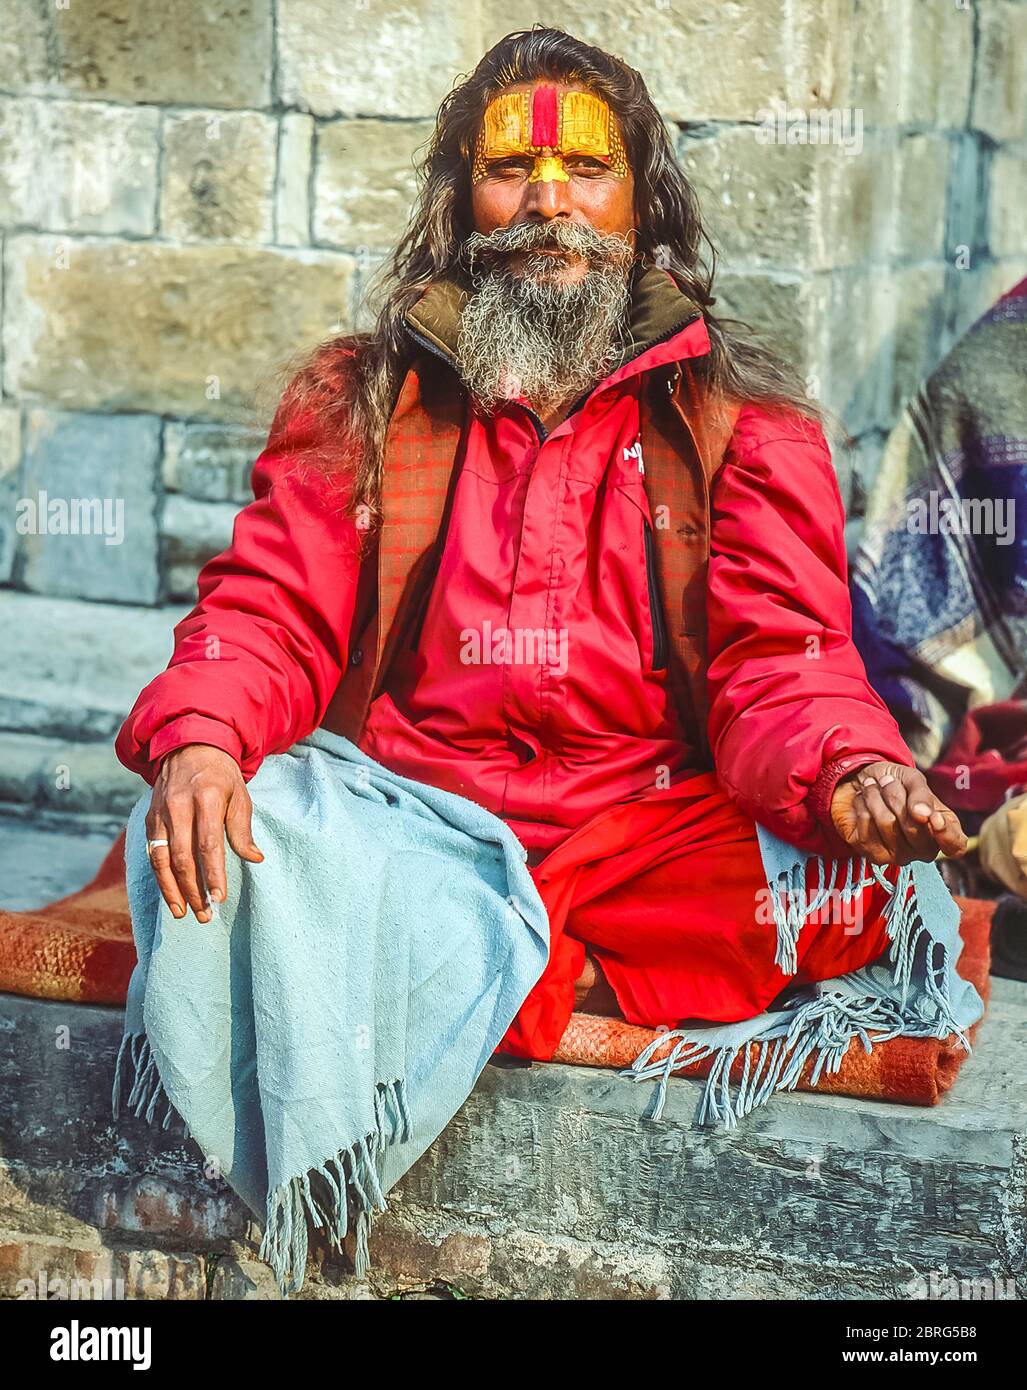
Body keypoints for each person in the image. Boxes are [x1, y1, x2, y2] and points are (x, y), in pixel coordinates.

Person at [115, 27, 967, 1062]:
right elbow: (268, 611)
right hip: (409, 823)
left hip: (642, 837)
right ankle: (553, 969)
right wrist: (203, 736)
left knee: (865, 882)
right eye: (511, 168)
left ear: (643, 204)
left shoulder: (745, 421)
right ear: (459, 202)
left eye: (588, 170)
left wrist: (851, 768)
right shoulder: (363, 399)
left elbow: (781, 666)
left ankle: (466, 966)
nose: (549, 204)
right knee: (232, 836)